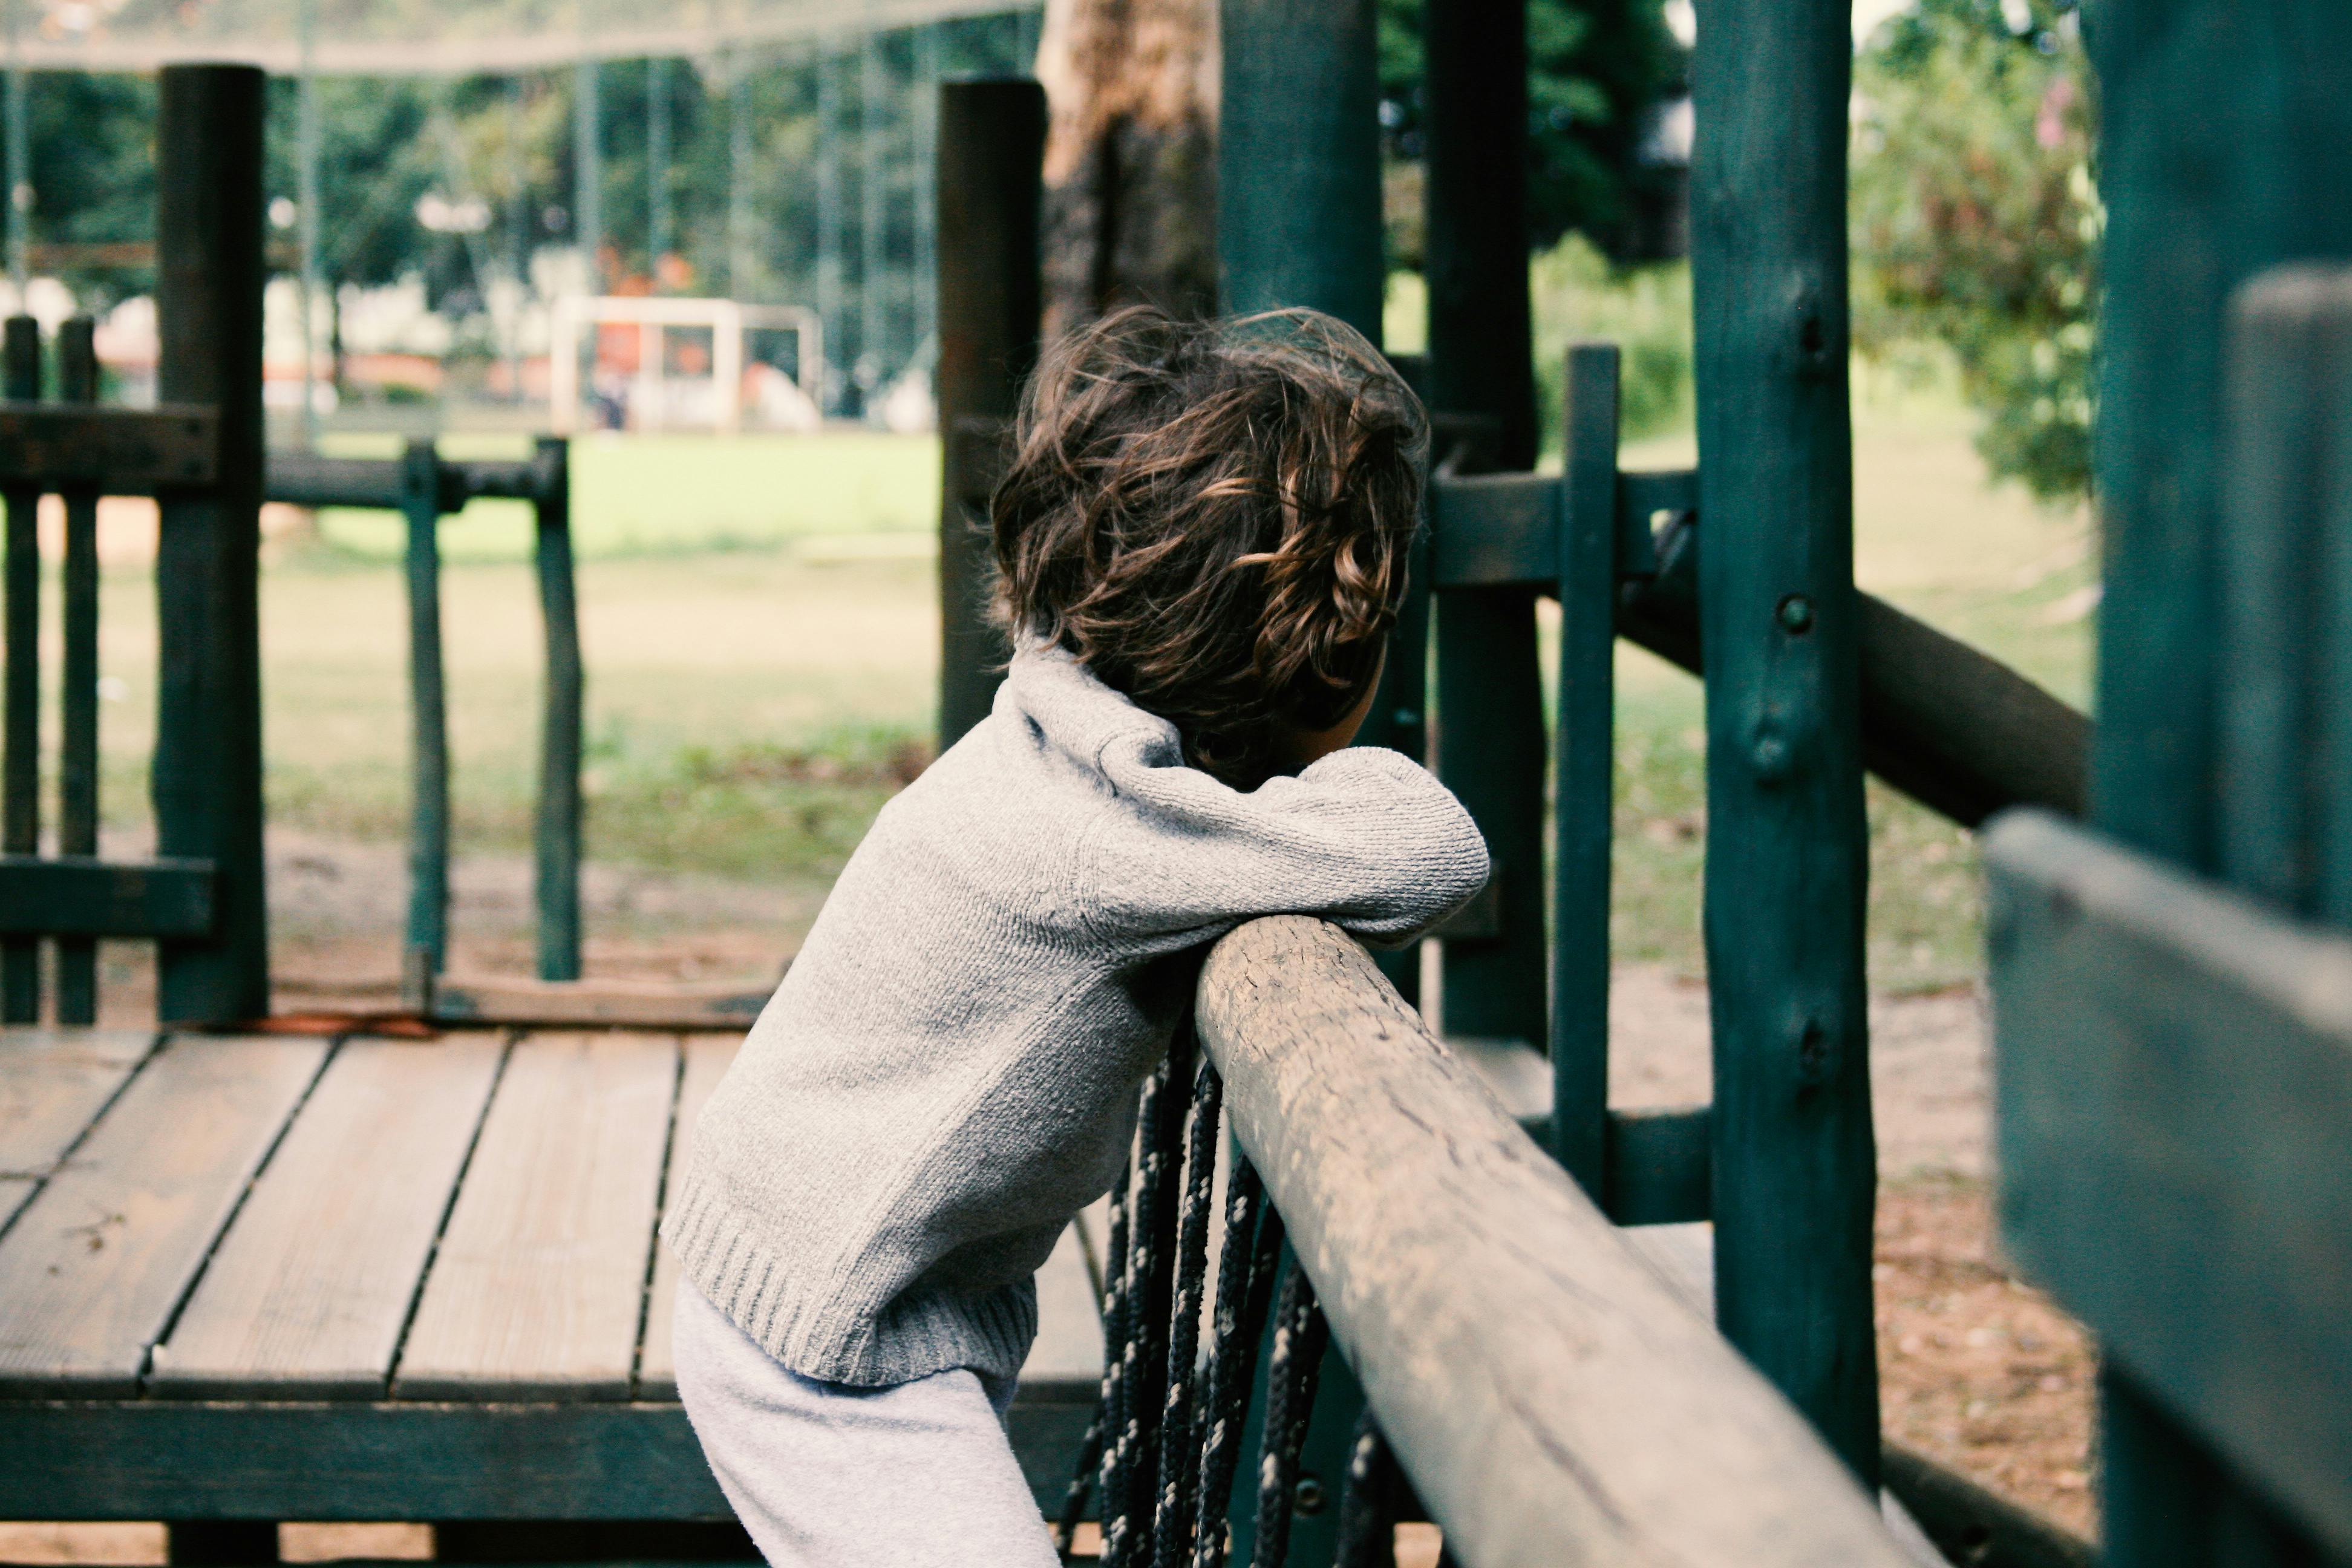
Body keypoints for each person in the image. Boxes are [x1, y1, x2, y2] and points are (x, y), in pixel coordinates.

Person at [664, 306, 1490, 1566]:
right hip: (829, 1346)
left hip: (832, 1281)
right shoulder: (1114, 830)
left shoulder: (1059, 718)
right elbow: (1435, 852)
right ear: (1322, 665)